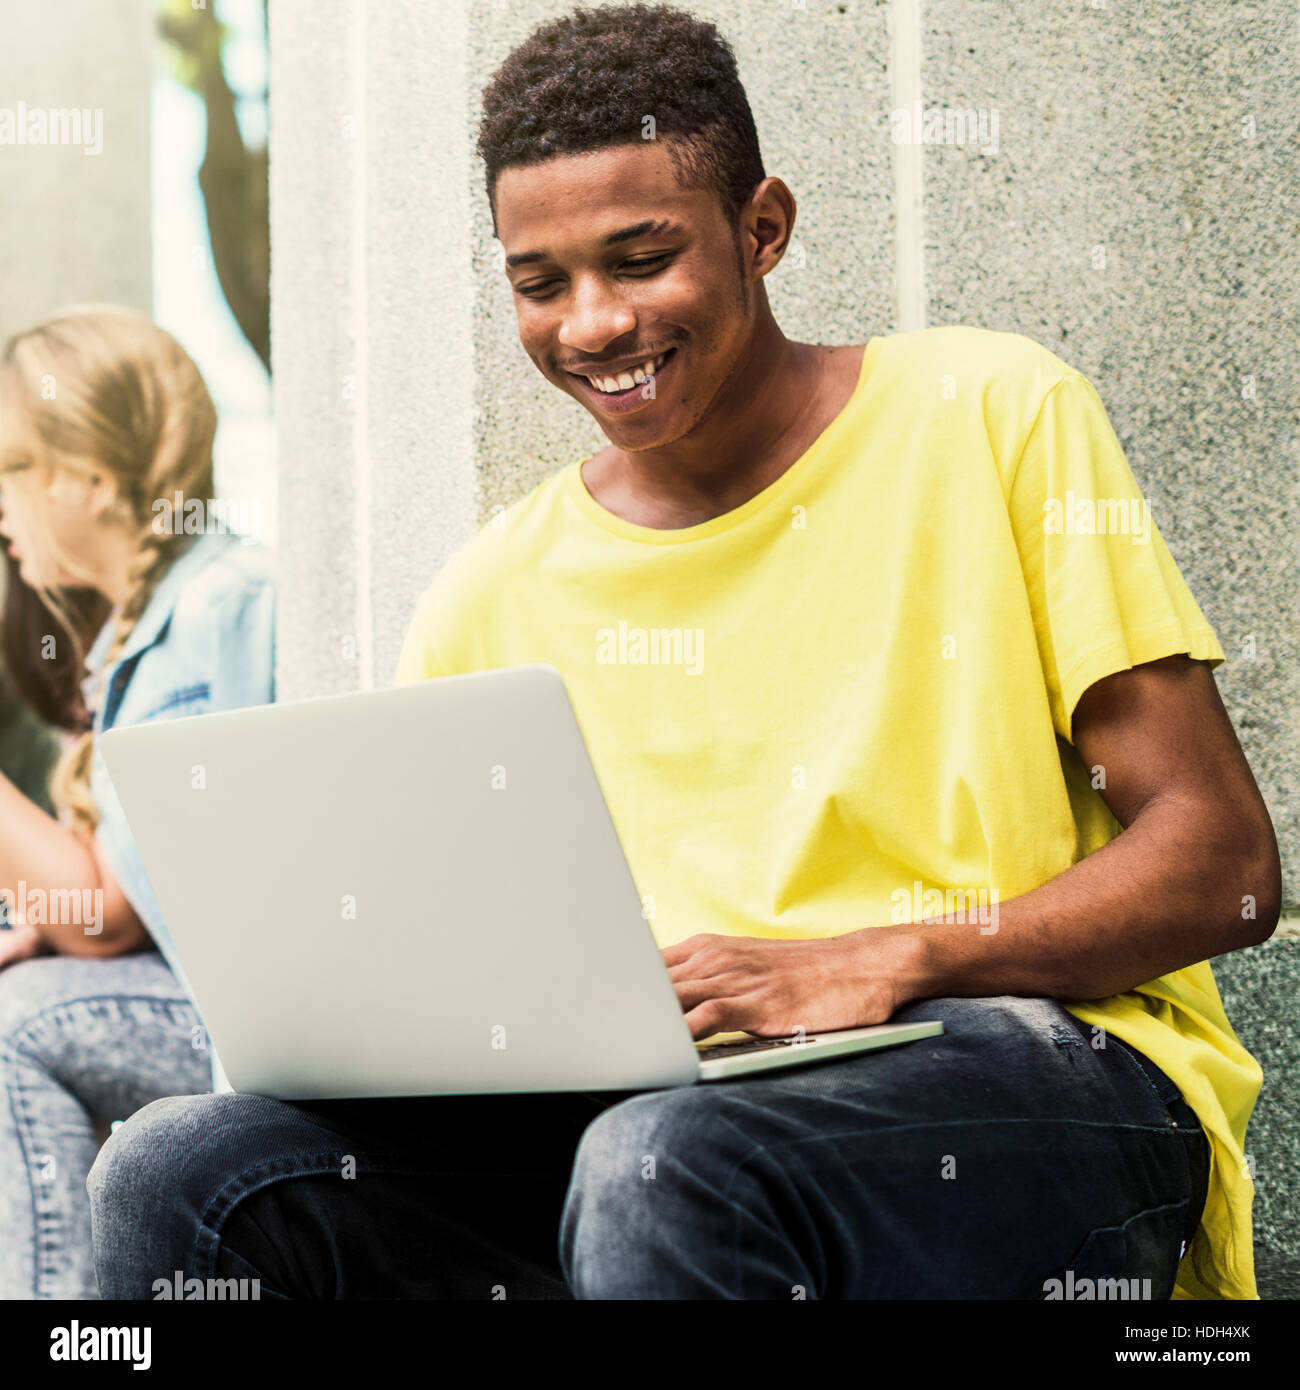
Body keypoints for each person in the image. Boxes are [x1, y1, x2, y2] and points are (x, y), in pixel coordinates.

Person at [90, 3, 1277, 1301]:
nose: (592, 323)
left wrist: (892, 952)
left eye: (641, 259)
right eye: (542, 282)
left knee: (660, 1160)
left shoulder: (993, 416)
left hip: (1036, 1071)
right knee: (177, 1167)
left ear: (762, 229)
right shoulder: (489, 594)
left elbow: (1224, 868)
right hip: (651, 1127)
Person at [0, 304, 275, 1298]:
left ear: (91, 477)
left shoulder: (220, 607)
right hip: (204, 1002)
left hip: (251, 1028)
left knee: (13, 1025)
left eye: (10, 469)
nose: (0, 508)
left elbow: (114, 914)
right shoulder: (148, 624)